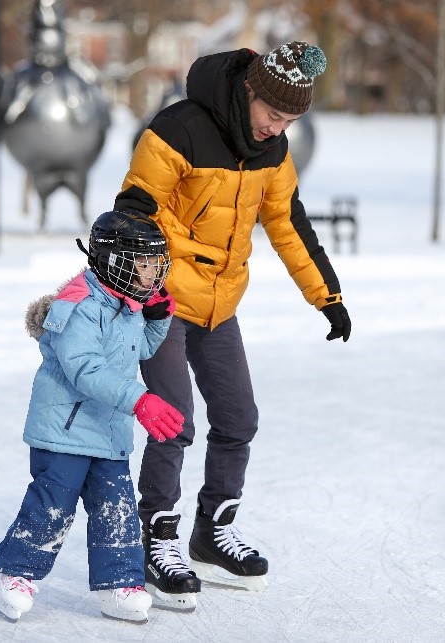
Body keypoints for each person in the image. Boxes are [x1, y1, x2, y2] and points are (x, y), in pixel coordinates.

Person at [113, 41, 352, 609]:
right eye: (273, 114)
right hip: (162, 302)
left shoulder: (273, 152)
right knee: (173, 421)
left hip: (220, 305)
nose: (278, 127)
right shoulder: (179, 128)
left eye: (291, 120)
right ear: (250, 91)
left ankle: (210, 532)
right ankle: (157, 537)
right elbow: (133, 208)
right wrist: (143, 289)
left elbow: (289, 224)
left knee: (238, 418)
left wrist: (328, 297)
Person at [0, 210, 186, 624]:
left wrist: (157, 317)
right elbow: (84, 367)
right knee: (52, 505)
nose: (152, 273)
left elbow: (141, 351)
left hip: (108, 431)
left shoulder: (127, 301)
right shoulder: (80, 304)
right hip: (66, 430)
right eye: (143, 262)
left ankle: (120, 585)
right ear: (112, 260)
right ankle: (17, 576)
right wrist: (140, 399)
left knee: (117, 509)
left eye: (155, 263)